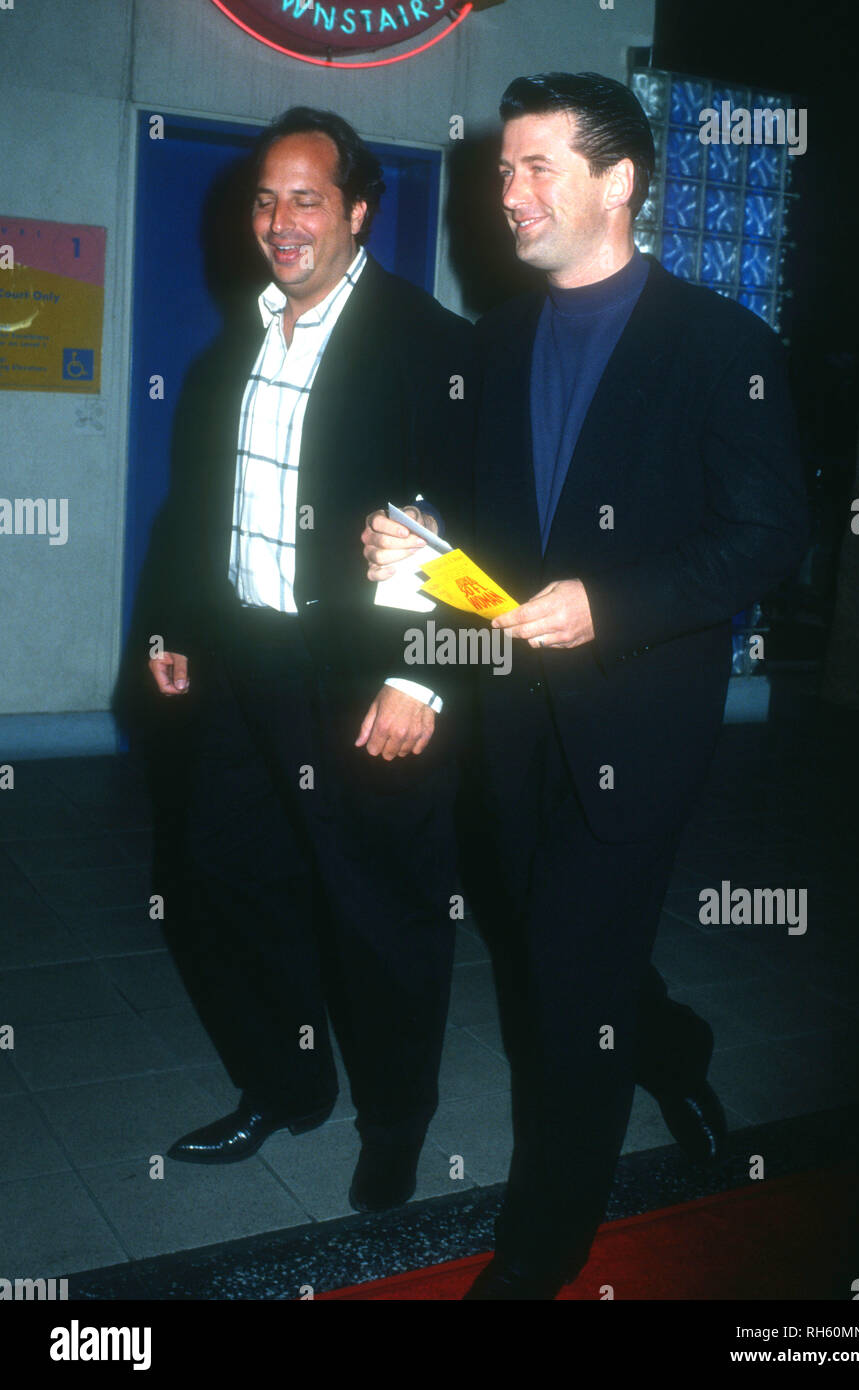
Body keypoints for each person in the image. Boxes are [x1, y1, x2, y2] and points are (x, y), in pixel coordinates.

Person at [363, 71, 808, 1296]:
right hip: (509, 720)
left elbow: (770, 535)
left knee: (564, 991)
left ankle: (540, 1251)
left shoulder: (724, 346)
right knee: (553, 946)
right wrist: (409, 543)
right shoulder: (492, 343)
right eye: (502, 170)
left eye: (537, 167)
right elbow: (466, 524)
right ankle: (671, 1041)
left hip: (639, 722)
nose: (509, 194)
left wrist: (611, 603)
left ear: (619, 182)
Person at [144, 106, 472, 1213]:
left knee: (379, 915)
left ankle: (394, 1126)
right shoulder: (243, 336)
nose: (281, 222)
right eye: (265, 199)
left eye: (307, 199)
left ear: (359, 211)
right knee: (223, 891)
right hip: (243, 666)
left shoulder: (427, 346)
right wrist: (172, 627)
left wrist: (425, 675)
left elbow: (482, 533)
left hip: (366, 681)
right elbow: (197, 508)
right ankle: (285, 1086)